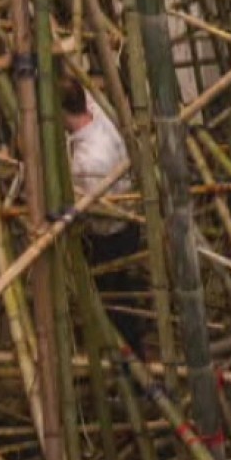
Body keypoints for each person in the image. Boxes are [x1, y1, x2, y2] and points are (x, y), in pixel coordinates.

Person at [62, 77, 146, 352]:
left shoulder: (85, 162)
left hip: (109, 237)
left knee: (114, 304)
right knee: (125, 294)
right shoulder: (100, 112)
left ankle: (129, 362)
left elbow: (85, 212)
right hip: (130, 221)